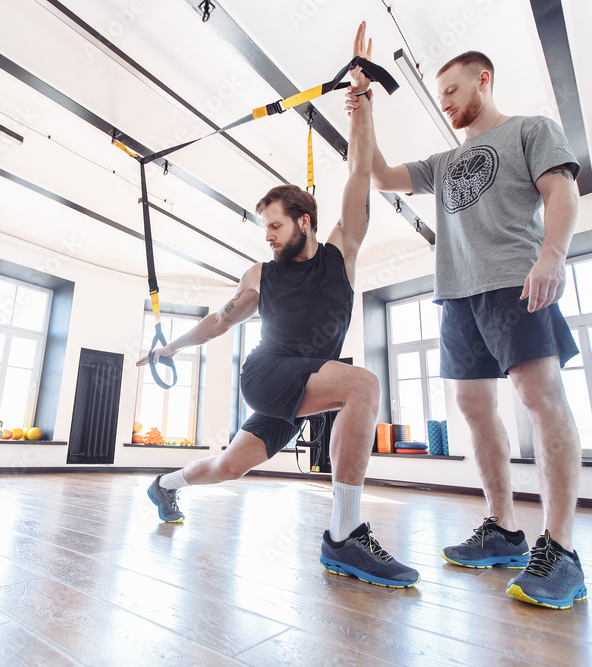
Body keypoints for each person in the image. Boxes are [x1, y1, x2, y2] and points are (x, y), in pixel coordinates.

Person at [136, 23, 419, 589]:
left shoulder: (342, 253)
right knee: (362, 385)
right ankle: (343, 537)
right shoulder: (261, 275)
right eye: (262, 226)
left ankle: (166, 485)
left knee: (227, 467)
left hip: (301, 384)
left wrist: (360, 100)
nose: (266, 235)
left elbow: (360, 174)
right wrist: (171, 345)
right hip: (268, 376)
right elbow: (220, 322)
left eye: (274, 225)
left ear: (304, 222)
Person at [345, 45, 586, 609]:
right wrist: (362, 104)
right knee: (475, 410)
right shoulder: (445, 163)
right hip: (457, 295)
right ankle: (502, 530)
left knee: (540, 397)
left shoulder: (530, 129)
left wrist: (552, 255)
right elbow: (379, 174)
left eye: (453, 90)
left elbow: (562, 191)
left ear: (484, 79)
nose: (445, 102)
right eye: (440, 95)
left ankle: (562, 551)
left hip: (514, 280)